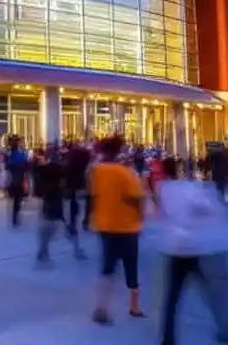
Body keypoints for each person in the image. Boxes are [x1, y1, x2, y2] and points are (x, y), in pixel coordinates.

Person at [155, 157, 228, 345]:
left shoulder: (164, 189)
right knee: (211, 291)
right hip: (197, 248)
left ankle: (168, 338)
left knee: (171, 297)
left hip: (174, 248)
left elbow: (161, 214)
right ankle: (226, 330)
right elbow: (209, 210)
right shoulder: (190, 189)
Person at [89, 136, 146, 324]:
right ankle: (134, 307)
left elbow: (93, 196)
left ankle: (101, 306)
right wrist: (141, 217)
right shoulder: (125, 173)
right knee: (131, 266)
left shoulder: (96, 171)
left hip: (104, 224)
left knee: (107, 267)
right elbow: (136, 198)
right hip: (126, 226)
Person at [35, 146, 85, 265]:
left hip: (50, 200)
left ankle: (43, 250)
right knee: (64, 227)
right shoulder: (62, 169)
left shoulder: (44, 170)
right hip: (59, 200)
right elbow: (67, 184)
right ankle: (76, 250)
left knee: (48, 227)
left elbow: (39, 188)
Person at [64, 142, 92, 232]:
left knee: (73, 205)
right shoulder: (86, 160)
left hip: (72, 184)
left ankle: (73, 224)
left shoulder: (70, 163)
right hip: (83, 184)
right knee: (85, 204)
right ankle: (85, 221)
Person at [5, 136, 29, 228]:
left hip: (13, 180)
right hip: (20, 179)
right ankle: (16, 214)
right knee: (18, 199)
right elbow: (26, 168)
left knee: (15, 199)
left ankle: (14, 217)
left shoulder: (10, 155)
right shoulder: (22, 154)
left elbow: (7, 167)